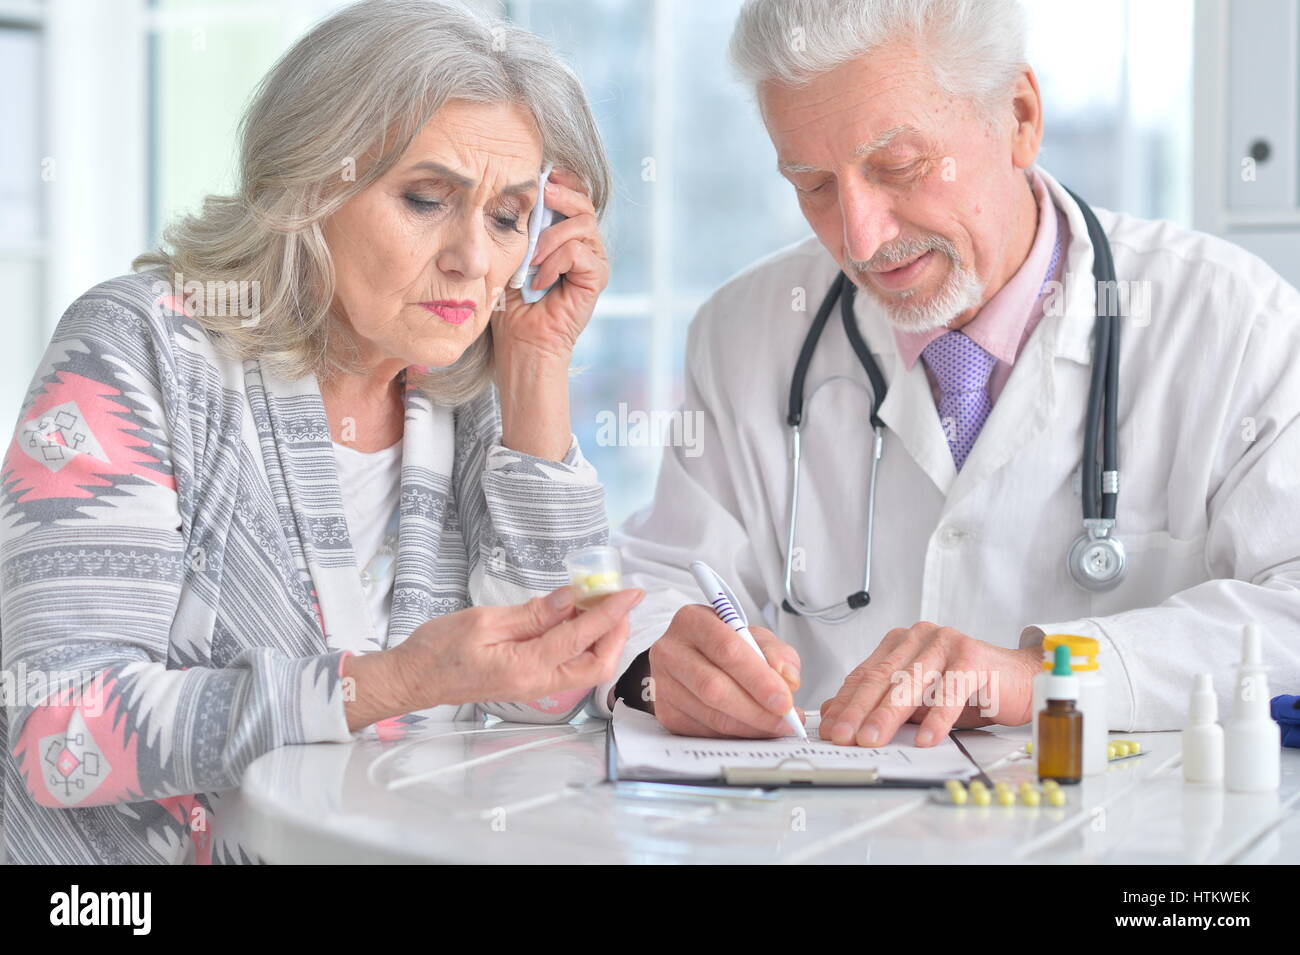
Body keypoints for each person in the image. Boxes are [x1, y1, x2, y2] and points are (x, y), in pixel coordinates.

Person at [0, 0, 640, 864]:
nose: (475, 260)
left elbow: (553, 693)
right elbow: (59, 728)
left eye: (508, 216)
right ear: (309, 186)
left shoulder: (468, 392)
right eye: (426, 198)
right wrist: (397, 682)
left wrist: (537, 370)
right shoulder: (141, 347)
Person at [600, 0, 1300, 749]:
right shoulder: (743, 334)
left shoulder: (1232, 323)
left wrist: (1046, 674)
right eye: (814, 185)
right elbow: (661, 581)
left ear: (1020, 117)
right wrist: (660, 664)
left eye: (897, 167)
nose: (862, 235)